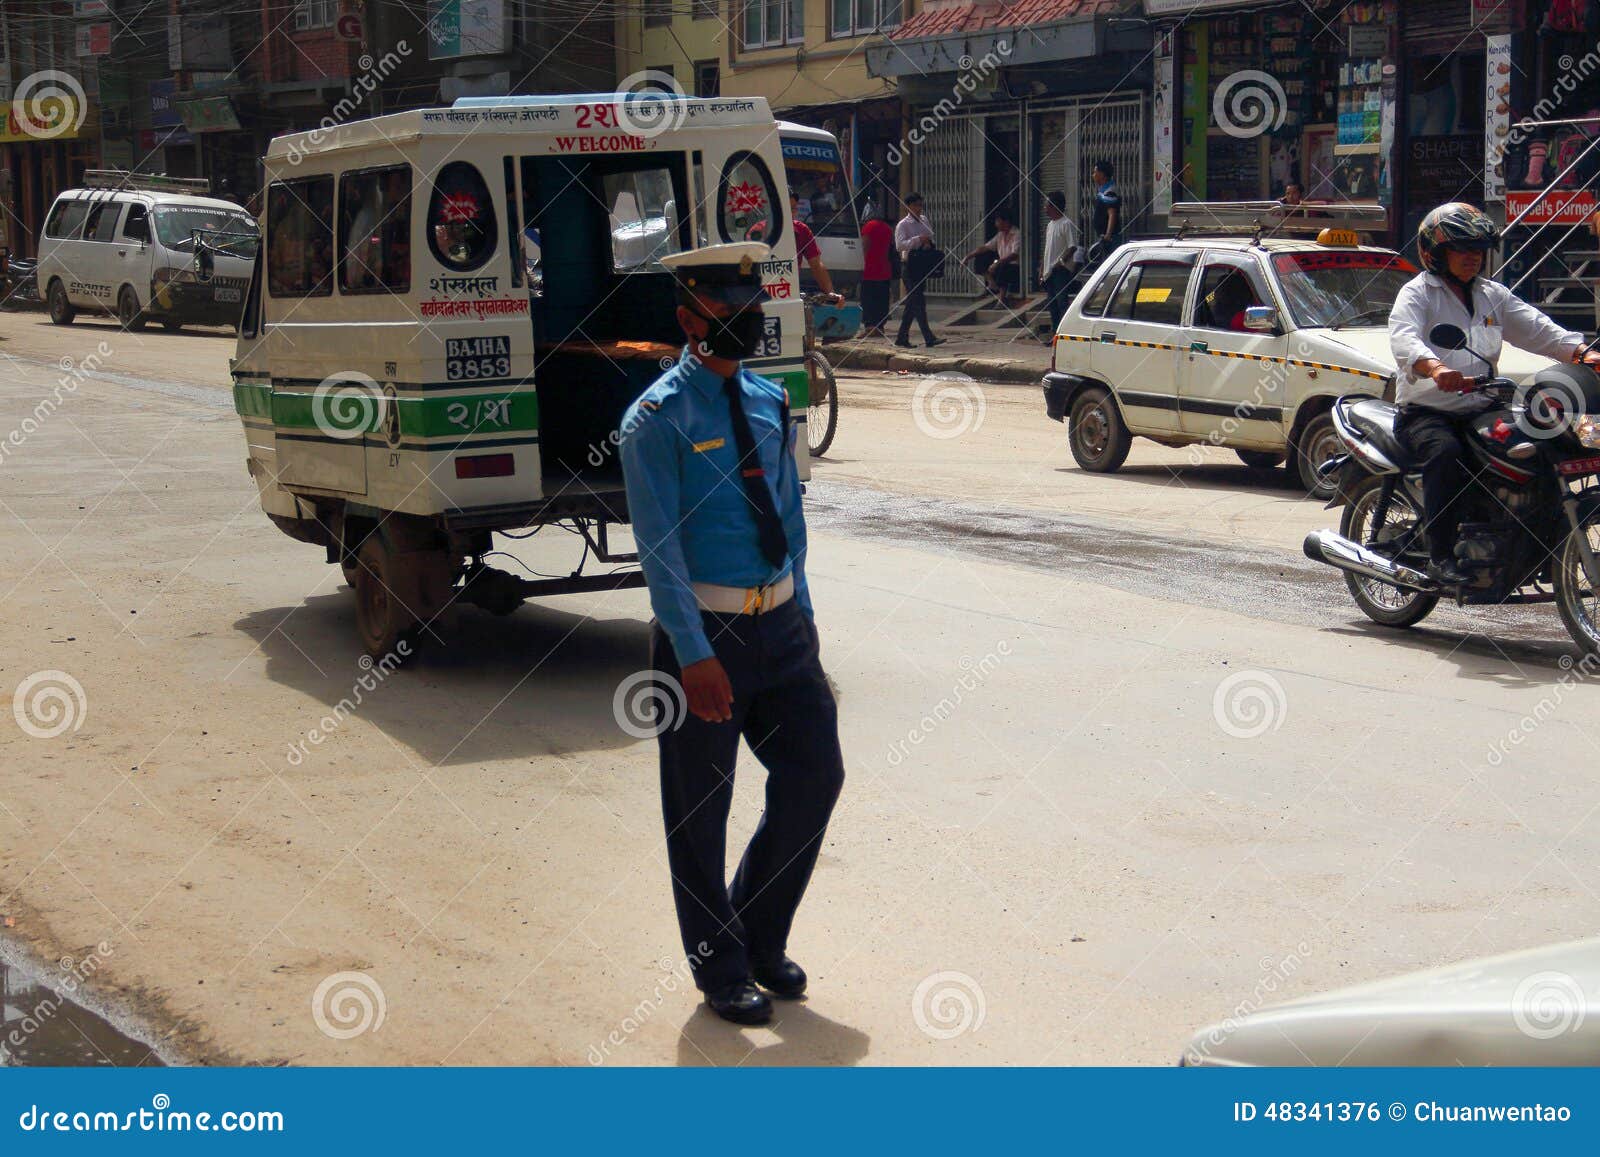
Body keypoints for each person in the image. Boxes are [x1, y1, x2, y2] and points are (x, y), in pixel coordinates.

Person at [619, 241, 846, 1027]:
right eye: (728, 310)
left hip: (782, 626)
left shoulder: (770, 401)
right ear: (688, 319)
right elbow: (659, 550)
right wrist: (693, 656)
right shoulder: (655, 421)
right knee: (699, 811)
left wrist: (805, 619)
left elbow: (790, 519)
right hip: (706, 637)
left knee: (817, 773)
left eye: (753, 307)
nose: (746, 320)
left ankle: (755, 931)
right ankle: (718, 966)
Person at [1389, 202, 1600, 585]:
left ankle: (1533, 539)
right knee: (1447, 454)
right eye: (1462, 248)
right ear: (1434, 253)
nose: (1473, 257)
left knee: (1542, 444)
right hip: (1428, 413)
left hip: (1484, 406)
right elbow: (1405, 339)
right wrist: (1436, 368)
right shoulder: (1417, 293)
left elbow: (1540, 330)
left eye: (1478, 249)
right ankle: (1439, 555)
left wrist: (1584, 354)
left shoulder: (1492, 295)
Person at [894, 192, 942, 348]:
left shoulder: (924, 220)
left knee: (913, 303)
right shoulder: (903, 224)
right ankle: (929, 337)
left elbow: (930, 236)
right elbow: (900, 245)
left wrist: (928, 242)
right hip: (908, 265)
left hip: (921, 264)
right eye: (915, 205)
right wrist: (917, 240)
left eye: (920, 205)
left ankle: (901, 337)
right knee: (918, 301)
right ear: (909, 206)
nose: (919, 208)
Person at [1040, 190, 1081, 331]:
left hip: (1061, 270)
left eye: (1047, 205)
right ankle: (1055, 330)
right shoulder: (1050, 225)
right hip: (1049, 271)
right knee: (1052, 303)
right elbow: (1047, 250)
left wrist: (1061, 262)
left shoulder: (1066, 224)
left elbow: (1072, 247)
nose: (1045, 208)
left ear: (1054, 206)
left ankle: (1064, 331)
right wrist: (1042, 270)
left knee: (1061, 302)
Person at [966, 210, 1021, 305]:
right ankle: (992, 284)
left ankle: (1002, 298)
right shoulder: (1000, 235)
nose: (996, 224)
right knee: (981, 258)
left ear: (1006, 222)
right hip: (1001, 265)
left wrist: (997, 263)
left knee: (1003, 267)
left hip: (1014, 267)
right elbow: (986, 247)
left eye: (998, 221)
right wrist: (968, 257)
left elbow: (1014, 255)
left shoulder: (1017, 234)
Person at [789, 189, 835, 296]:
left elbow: (816, 265)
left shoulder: (802, 231)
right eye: (790, 209)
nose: (793, 213)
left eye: (795, 209)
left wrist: (831, 293)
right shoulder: (759, 231)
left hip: (790, 295)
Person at [859, 207, 894, 336]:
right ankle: (880, 326)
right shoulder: (888, 228)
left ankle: (870, 327)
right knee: (882, 299)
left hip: (870, 270)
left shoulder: (869, 226)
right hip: (885, 269)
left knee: (868, 299)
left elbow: (865, 245)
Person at [1090, 159, 1122, 255]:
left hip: (1109, 240)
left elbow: (1112, 214)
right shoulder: (1104, 190)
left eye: (1095, 172)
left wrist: (1108, 235)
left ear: (1102, 174)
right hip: (1104, 237)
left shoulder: (1109, 192)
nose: (1093, 175)